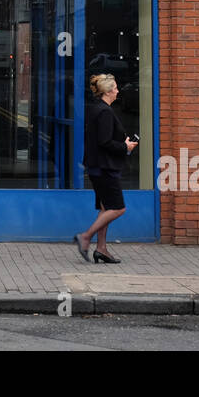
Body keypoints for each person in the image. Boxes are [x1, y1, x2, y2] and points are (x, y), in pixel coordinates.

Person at [75, 73, 137, 264]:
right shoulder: (104, 112)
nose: (118, 91)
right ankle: (85, 237)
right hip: (104, 168)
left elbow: (102, 139)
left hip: (98, 166)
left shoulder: (98, 109)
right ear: (109, 91)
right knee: (118, 208)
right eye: (116, 88)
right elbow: (104, 142)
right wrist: (125, 147)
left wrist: (122, 143)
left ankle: (101, 249)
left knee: (105, 208)